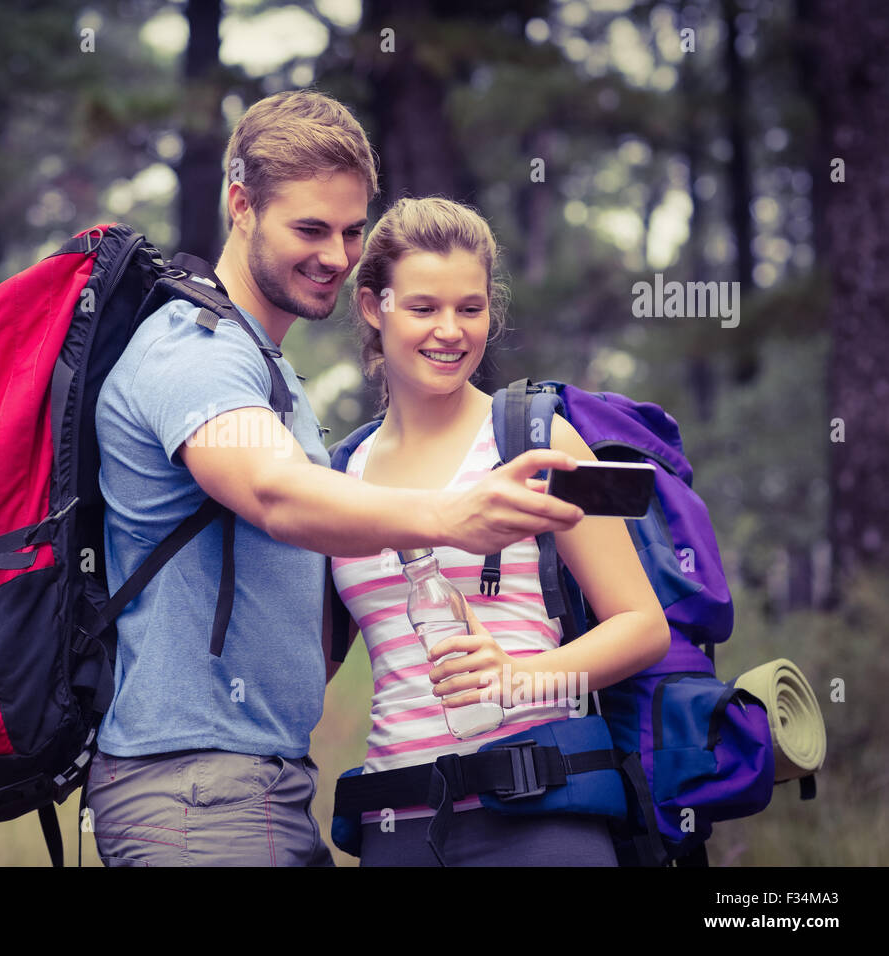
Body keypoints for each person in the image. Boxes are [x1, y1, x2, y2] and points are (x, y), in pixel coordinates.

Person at [86, 92, 586, 867]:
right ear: (241, 205)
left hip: (257, 787)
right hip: (194, 791)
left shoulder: (267, 368)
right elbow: (273, 491)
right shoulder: (198, 352)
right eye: (310, 229)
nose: (336, 252)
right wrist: (451, 515)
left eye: (353, 230)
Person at [330, 196, 671, 866]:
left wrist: (519, 679)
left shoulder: (534, 439)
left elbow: (642, 624)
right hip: (395, 824)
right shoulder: (343, 472)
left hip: (540, 818)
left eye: (471, 308)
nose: (451, 331)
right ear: (375, 308)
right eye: (423, 308)